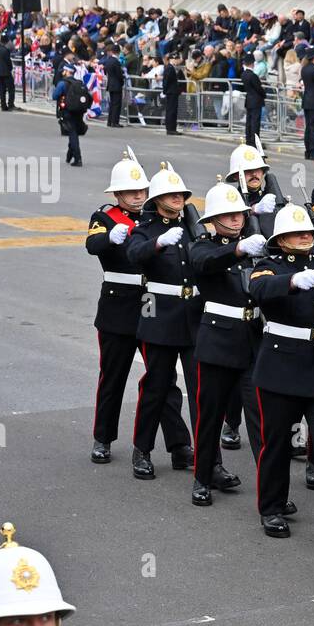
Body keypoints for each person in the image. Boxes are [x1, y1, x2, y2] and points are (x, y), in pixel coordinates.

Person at [85, 152, 191, 466]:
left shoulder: (151, 219)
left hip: (153, 306)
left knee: (163, 378)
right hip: (119, 306)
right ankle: (103, 438)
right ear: (117, 194)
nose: (138, 196)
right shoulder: (104, 217)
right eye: (131, 192)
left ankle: (178, 444)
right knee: (113, 376)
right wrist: (108, 238)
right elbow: (92, 245)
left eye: (142, 191)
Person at [246, 204, 314, 538]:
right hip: (282, 366)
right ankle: (271, 507)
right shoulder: (269, 267)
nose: (305, 237)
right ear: (281, 239)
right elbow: (257, 290)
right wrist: (291, 282)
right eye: (298, 233)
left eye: (309, 233)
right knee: (276, 443)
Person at [188, 183, 266, 507]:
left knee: (261, 421)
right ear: (214, 220)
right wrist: (238, 250)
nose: (236, 221)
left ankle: (271, 492)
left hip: (253, 341)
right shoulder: (204, 246)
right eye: (228, 216)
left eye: (240, 215)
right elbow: (205, 264)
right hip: (218, 342)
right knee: (210, 416)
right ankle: (203, 477)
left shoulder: (258, 246)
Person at [124, 163, 202, 479]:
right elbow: (134, 254)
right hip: (160, 316)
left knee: (200, 390)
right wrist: (159, 243)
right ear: (157, 200)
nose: (177, 199)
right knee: (157, 386)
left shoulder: (193, 226)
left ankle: (196, 453)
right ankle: (142, 449)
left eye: (180, 194)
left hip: (193, 316)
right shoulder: (147, 228)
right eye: (170, 195)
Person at [52, 61, 89, 166]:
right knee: (73, 132)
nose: (62, 73)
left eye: (64, 71)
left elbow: (55, 96)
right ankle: (69, 155)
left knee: (72, 134)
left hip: (68, 110)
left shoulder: (63, 83)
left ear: (67, 72)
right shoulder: (80, 83)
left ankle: (78, 158)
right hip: (79, 111)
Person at [101, 42, 125, 127]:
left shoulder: (108, 61)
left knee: (112, 104)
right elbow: (119, 74)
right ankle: (115, 122)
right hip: (116, 84)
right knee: (116, 104)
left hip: (110, 84)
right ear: (118, 52)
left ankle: (110, 121)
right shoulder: (116, 62)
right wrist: (122, 81)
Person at [162, 50, 183, 135]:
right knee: (171, 111)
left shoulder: (170, 68)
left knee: (171, 110)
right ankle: (171, 129)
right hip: (171, 92)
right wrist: (165, 90)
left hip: (172, 92)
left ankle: (171, 128)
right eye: (177, 59)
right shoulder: (170, 68)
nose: (178, 61)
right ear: (173, 59)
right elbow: (166, 81)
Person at [0, 33, 17, 111]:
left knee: (2, 90)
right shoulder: (6, 50)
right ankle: (10, 104)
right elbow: (8, 61)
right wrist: (10, 68)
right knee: (11, 89)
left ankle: (3, 105)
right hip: (6, 72)